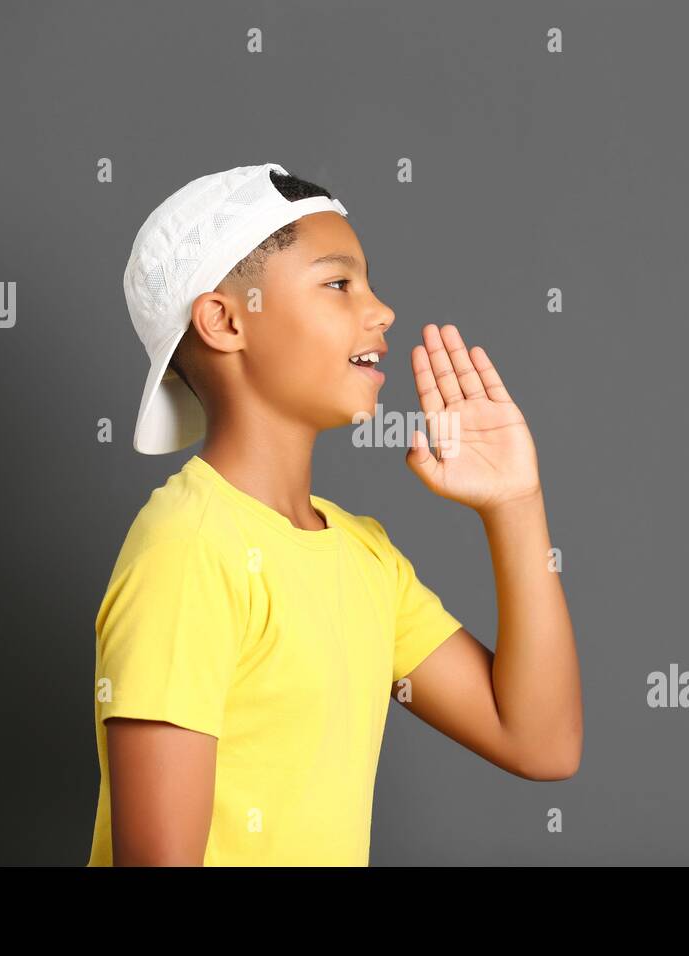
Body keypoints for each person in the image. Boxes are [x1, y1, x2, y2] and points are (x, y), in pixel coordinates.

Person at [86, 163, 581, 866]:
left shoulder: (364, 555)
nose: (381, 311)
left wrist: (515, 505)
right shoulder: (187, 549)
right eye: (339, 283)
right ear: (226, 320)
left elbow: (541, 742)